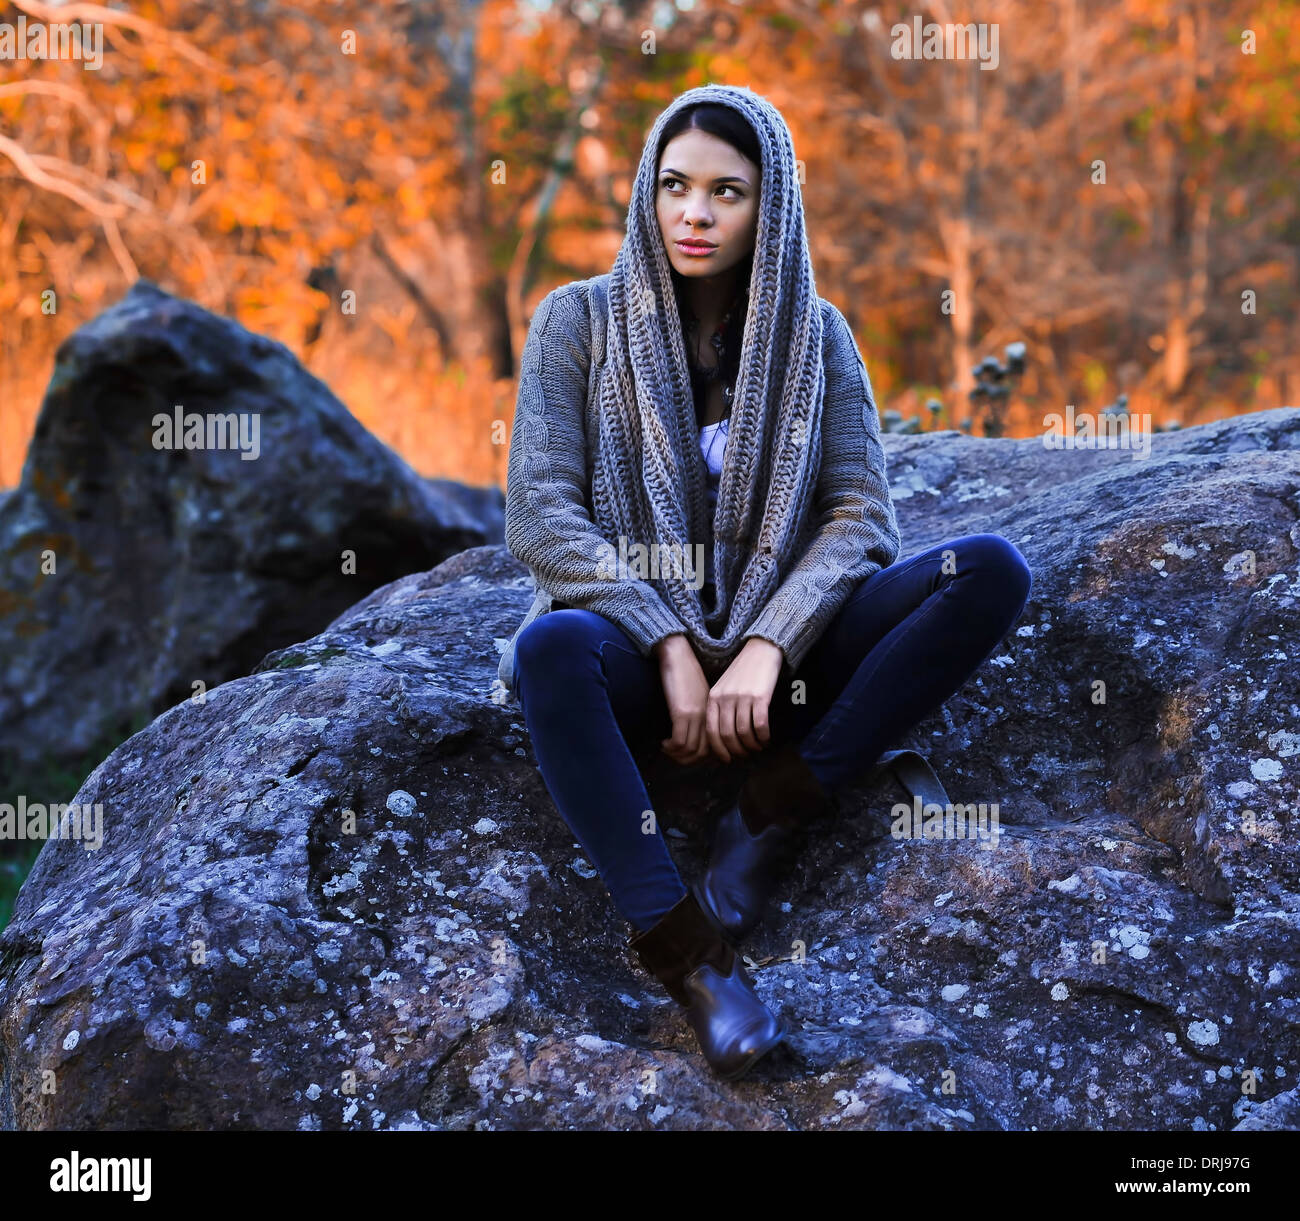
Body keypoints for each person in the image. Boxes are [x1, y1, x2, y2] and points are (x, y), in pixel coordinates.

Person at [498, 84, 1032, 1081]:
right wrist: (668, 643)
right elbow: (541, 516)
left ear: (769, 205)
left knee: (987, 571)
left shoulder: (817, 338)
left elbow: (859, 516)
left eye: (725, 193)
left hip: (781, 673)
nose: (693, 215)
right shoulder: (574, 321)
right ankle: (694, 965)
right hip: (636, 670)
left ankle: (771, 811)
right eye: (674, 187)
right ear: (647, 193)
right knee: (547, 650)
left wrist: (765, 645)